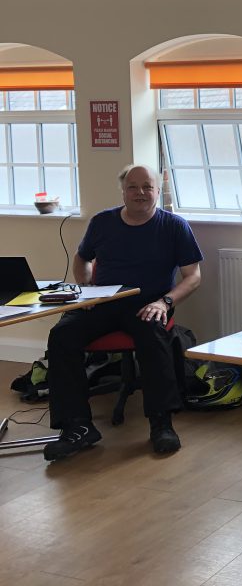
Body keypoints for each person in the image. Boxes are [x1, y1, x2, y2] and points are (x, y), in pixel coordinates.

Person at [43, 165, 203, 460]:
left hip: (148, 303)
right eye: (132, 187)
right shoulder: (102, 222)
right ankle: (77, 426)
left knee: (153, 336)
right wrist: (86, 288)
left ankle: (161, 423)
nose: (140, 193)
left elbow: (193, 276)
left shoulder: (174, 226)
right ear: (123, 191)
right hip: (103, 301)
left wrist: (165, 303)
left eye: (147, 187)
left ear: (157, 191)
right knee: (62, 335)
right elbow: (82, 258)